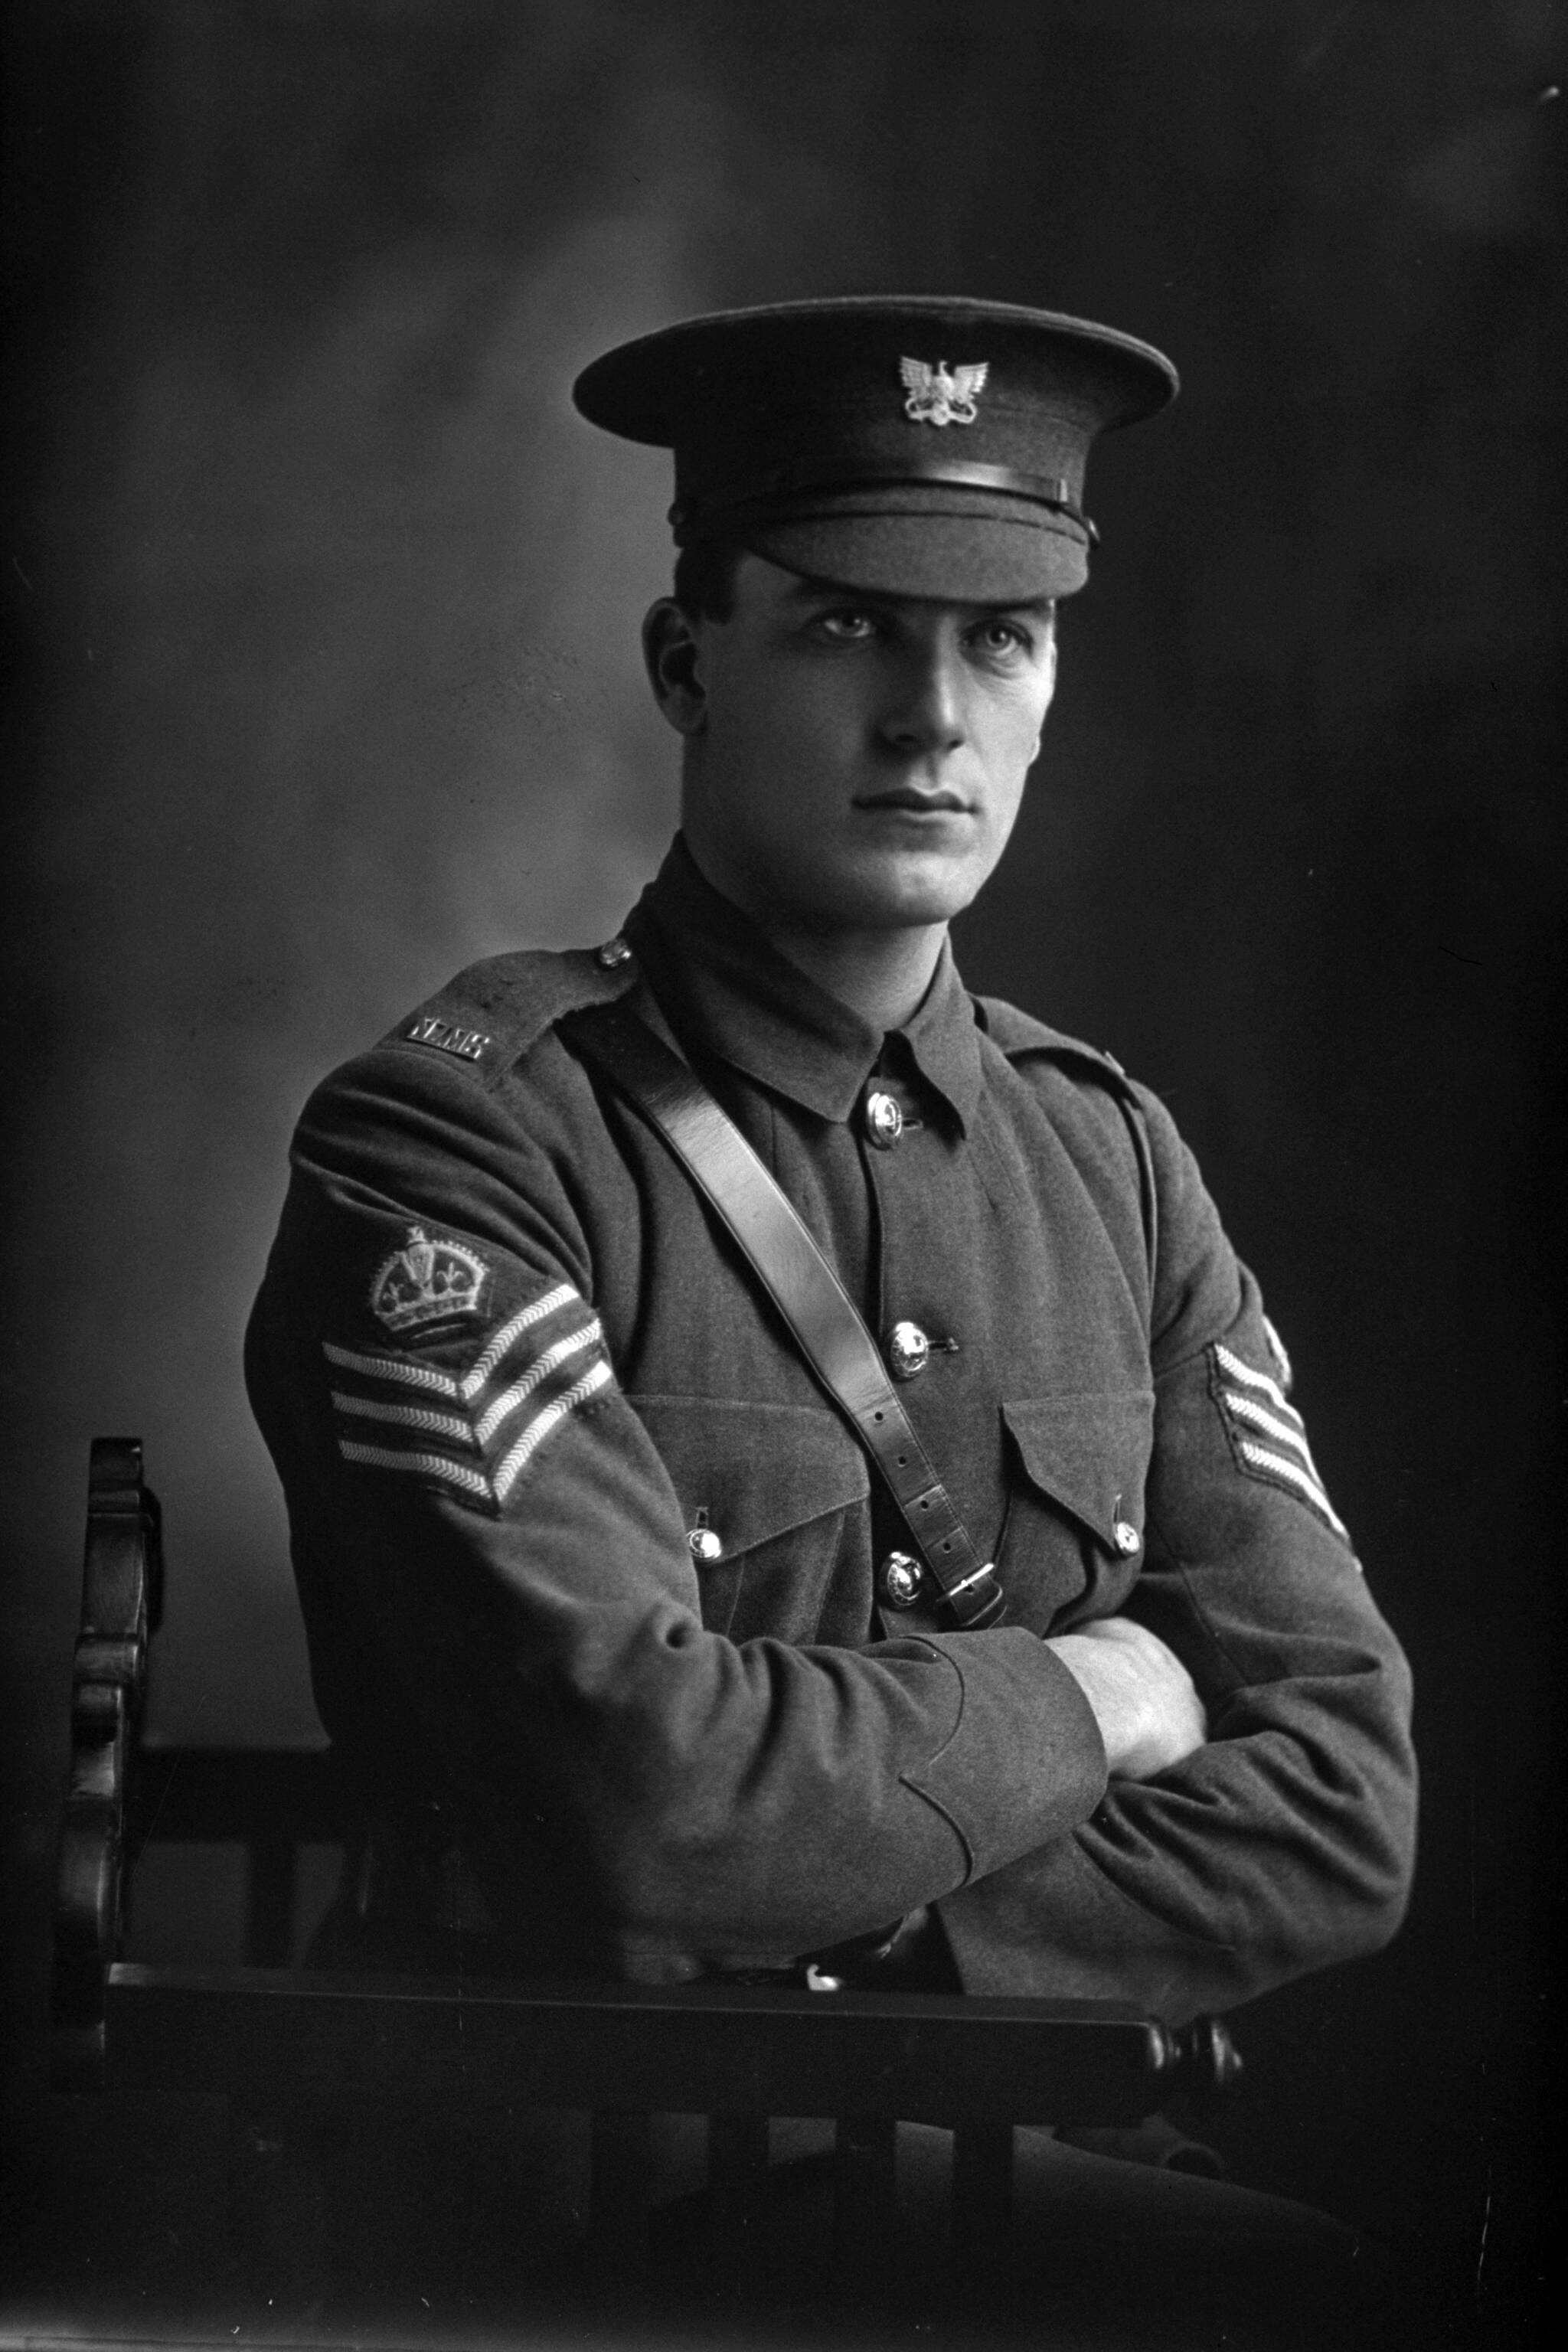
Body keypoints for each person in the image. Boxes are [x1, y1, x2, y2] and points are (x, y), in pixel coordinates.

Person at [243, 296, 1416, 2308]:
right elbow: (643, 1809)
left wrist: (851, 1915)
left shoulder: (1109, 1166)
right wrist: (1096, 1699)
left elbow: (1339, 1801)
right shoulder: (462, 1151)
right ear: (686, 663)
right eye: (848, 623)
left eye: (1000, 638)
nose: (931, 714)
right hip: (588, 2224)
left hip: (1014, 2176)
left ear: (1055, 687)